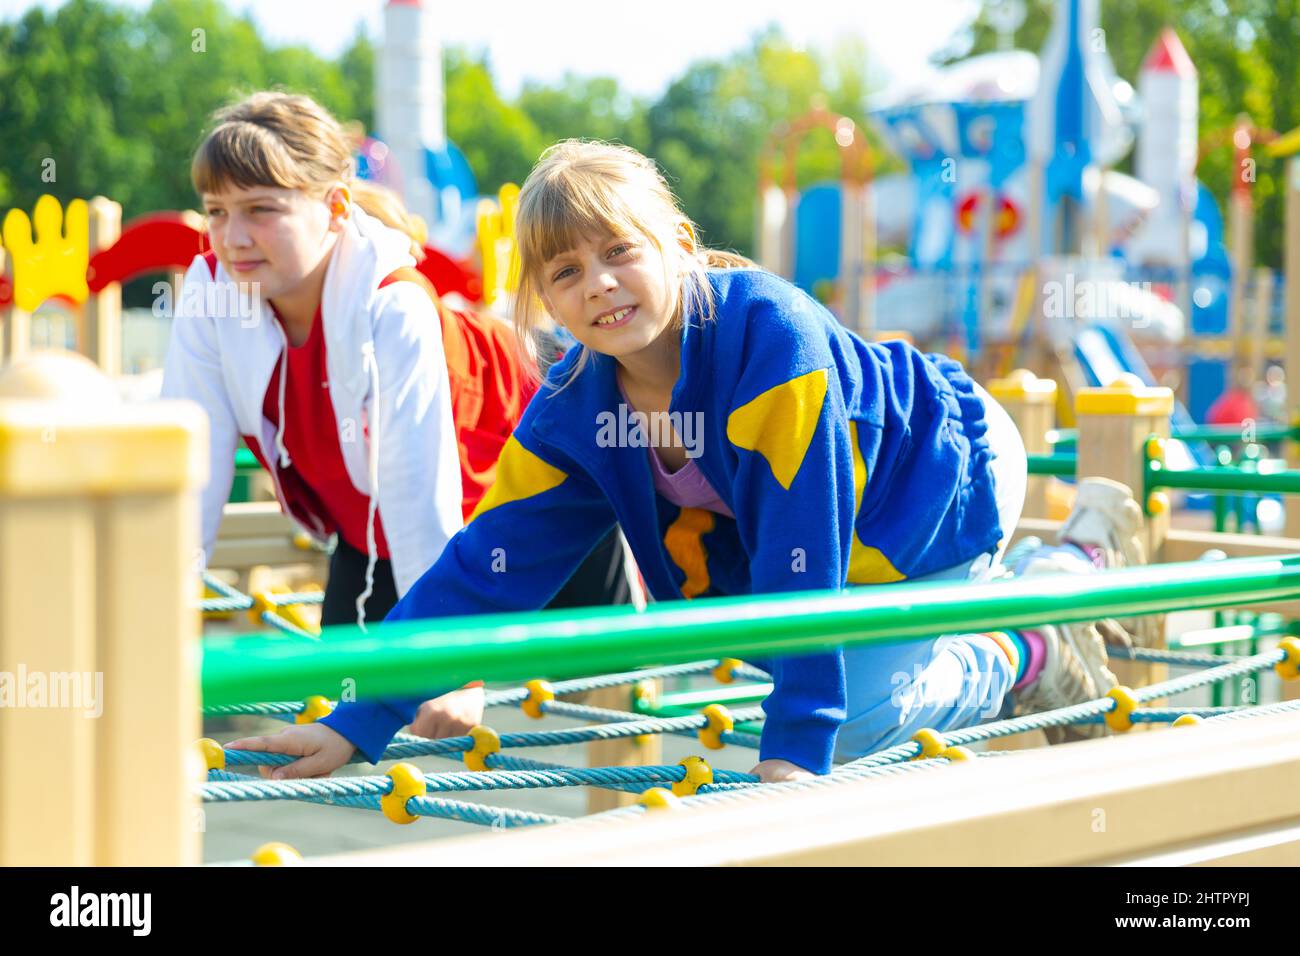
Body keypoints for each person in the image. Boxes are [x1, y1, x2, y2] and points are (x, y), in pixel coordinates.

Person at [232, 141, 1125, 782]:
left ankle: (1034, 640)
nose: (600, 285)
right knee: (821, 692)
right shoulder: (577, 405)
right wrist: (361, 721)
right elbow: (485, 568)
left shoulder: (772, 343)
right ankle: (1041, 608)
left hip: (939, 483)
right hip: (833, 554)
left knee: (850, 724)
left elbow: (802, 568)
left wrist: (791, 760)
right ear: (544, 297)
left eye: (620, 250)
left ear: (681, 246)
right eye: (566, 273)